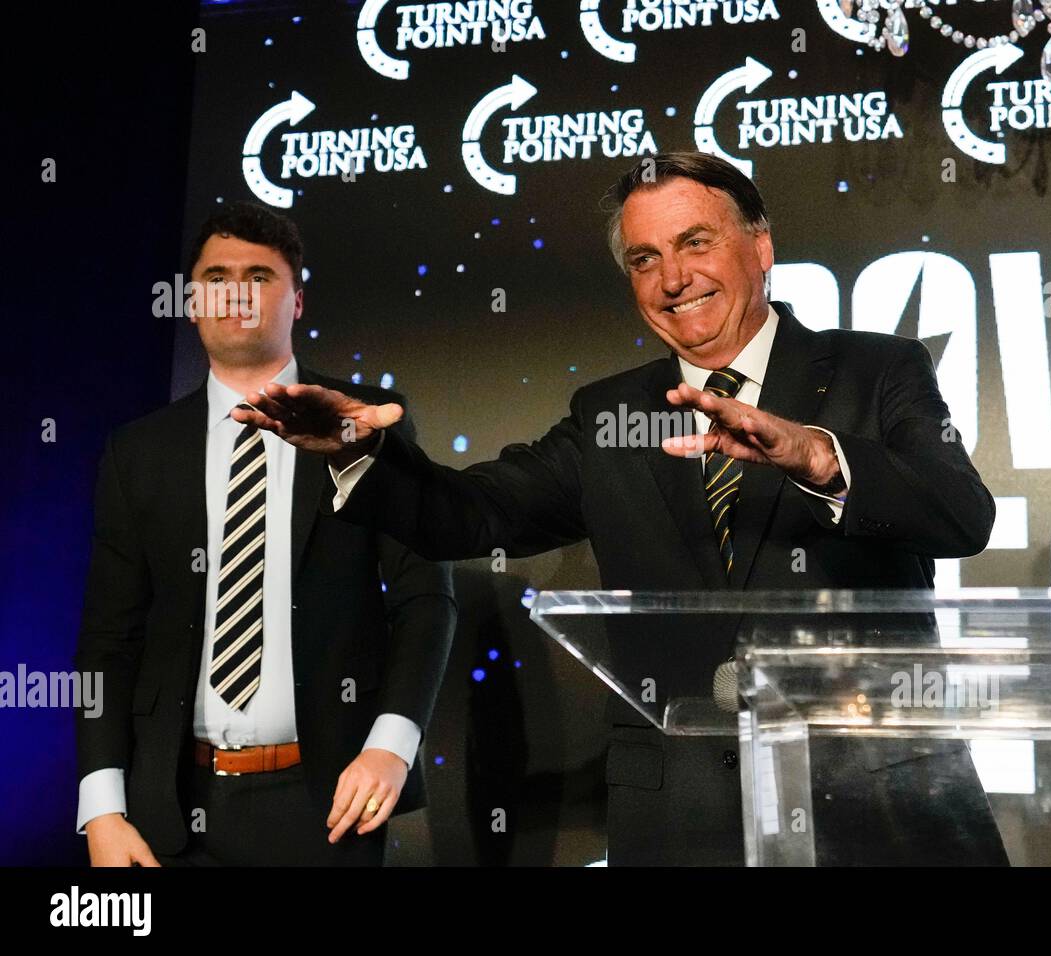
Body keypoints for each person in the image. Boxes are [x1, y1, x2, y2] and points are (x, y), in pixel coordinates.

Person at [235, 152, 1006, 865]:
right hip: (681, 820)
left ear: (761, 247)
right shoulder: (610, 413)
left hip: (878, 809)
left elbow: (962, 517)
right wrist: (351, 445)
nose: (674, 278)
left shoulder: (877, 371)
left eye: (695, 243)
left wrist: (816, 455)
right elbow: (469, 514)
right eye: (645, 259)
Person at [75, 201, 456, 866]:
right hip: (169, 810)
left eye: (259, 275)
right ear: (192, 300)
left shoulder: (360, 419)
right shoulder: (137, 451)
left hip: (327, 804)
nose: (236, 293)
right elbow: (110, 636)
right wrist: (102, 807)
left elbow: (426, 599)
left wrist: (390, 747)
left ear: (298, 301)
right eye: (217, 276)